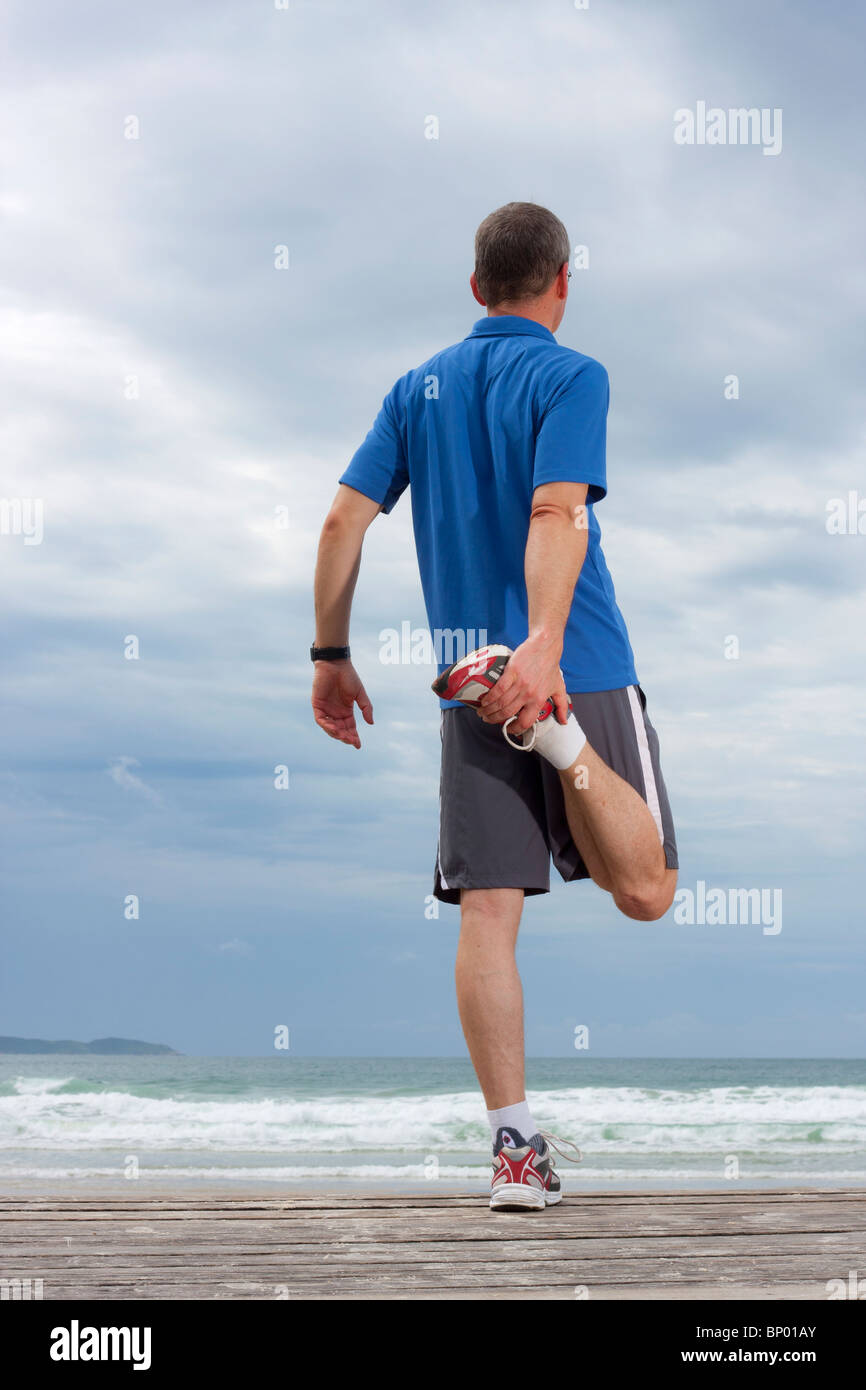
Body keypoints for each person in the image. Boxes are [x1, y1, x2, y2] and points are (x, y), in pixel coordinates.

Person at [311, 202, 678, 1210]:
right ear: (561, 282)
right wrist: (546, 648)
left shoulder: (413, 387)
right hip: (576, 661)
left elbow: (344, 517)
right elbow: (556, 509)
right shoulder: (571, 373)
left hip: (467, 681)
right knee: (645, 891)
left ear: (475, 289)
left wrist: (331, 655)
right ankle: (561, 741)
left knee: (486, 913)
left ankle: (512, 1156)